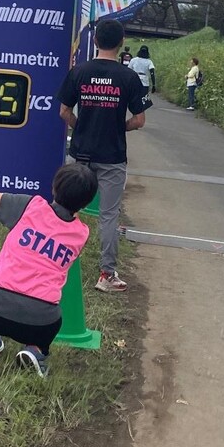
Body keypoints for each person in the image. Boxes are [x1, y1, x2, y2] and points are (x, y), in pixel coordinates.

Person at [0, 163, 99, 378]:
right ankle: (36, 350)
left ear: (53, 187)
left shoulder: (31, 206)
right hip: (40, 323)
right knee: (54, 314)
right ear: (87, 203)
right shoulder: (81, 234)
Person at [57, 18, 150, 293]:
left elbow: (63, 111)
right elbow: (140, 120)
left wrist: (81, 126)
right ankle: (106, 275)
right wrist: (117, 127)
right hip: (112, 156)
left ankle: (53, 262)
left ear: (95, 41)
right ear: (121, 44)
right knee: (108, 216)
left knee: (63, 207)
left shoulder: (79, 72)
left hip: (80, 154)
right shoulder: (129, 77)